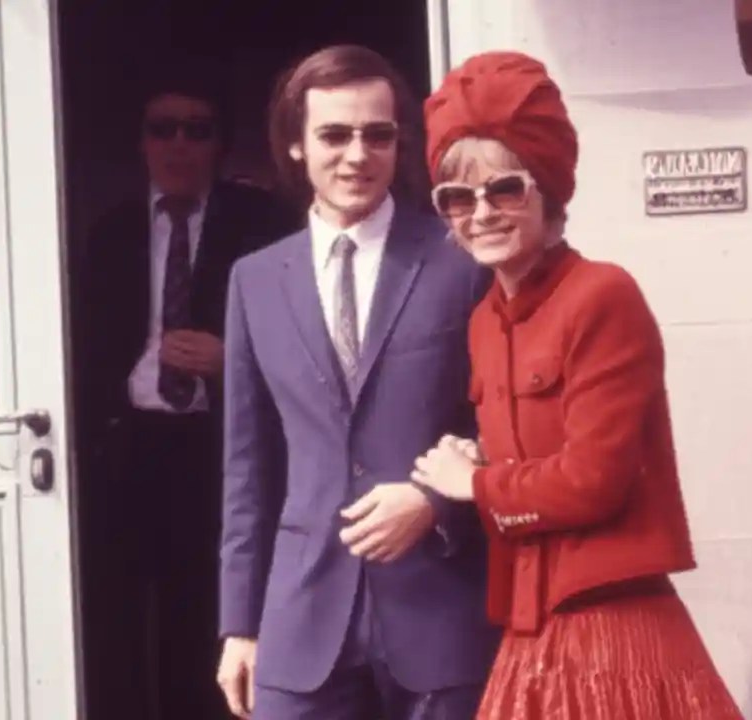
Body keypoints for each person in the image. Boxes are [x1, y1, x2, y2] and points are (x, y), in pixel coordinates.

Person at [411, 50, 745, 719]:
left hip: (614, 625)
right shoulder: (483, 322)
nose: (481, 213)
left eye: (504, 189)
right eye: (456, 198)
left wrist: (472, 484)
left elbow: (595, 480)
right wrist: (485, 464)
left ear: (549, 192)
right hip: (530, 632)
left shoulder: (602, 295)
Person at [216, 44, 500, 720]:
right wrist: (241, 624)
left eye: (378, 134)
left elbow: (506, 420)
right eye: (334, 135)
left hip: (439, 606)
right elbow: (246, 470)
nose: (357, 154)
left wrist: (436, 498)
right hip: (303, 611)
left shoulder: (458, 259)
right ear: (294, 145)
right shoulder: (255, 280)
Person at [70, 58, 298, 720]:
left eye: (196, 130)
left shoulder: (262, 223)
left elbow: (310, 339)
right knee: (114, 616)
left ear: (220, 145)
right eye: (162, 129)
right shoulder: (107, 233)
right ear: (141, 141)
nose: (177, 145)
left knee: (208, 613)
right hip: (125, 448)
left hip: (217, 445)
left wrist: (236, 360)